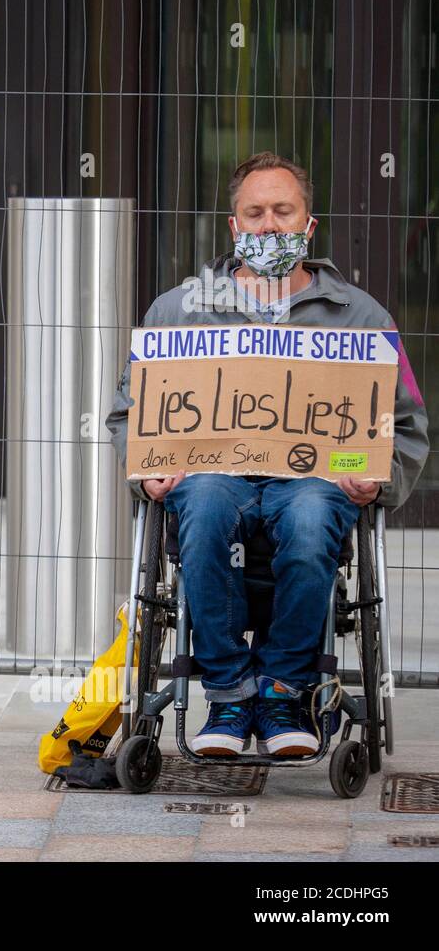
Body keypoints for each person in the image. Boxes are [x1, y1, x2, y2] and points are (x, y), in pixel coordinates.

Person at [105, 152, 429, 756]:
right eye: (254, 213)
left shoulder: (362, 318)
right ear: (233, 227)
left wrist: (374, 478)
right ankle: (228, 694)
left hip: (312, 481)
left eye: (284, 211)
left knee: (310, 520)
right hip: (214, 474)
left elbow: (404, 425)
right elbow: (129, 414)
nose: (269, 225)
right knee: (201, 506)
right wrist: (148, 470)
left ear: (309, 225)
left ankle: (285, 689)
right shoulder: (177, 312)